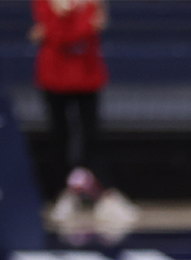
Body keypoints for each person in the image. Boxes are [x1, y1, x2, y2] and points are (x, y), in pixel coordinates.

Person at [30, 0, 136, 230]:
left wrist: (66, 19)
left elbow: (81, 30)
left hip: (87, 75)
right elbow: (61, 36)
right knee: (60, 137)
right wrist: (72, 18)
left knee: (92, 136)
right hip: (54, 76)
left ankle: (105, 195)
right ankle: (63, 195)